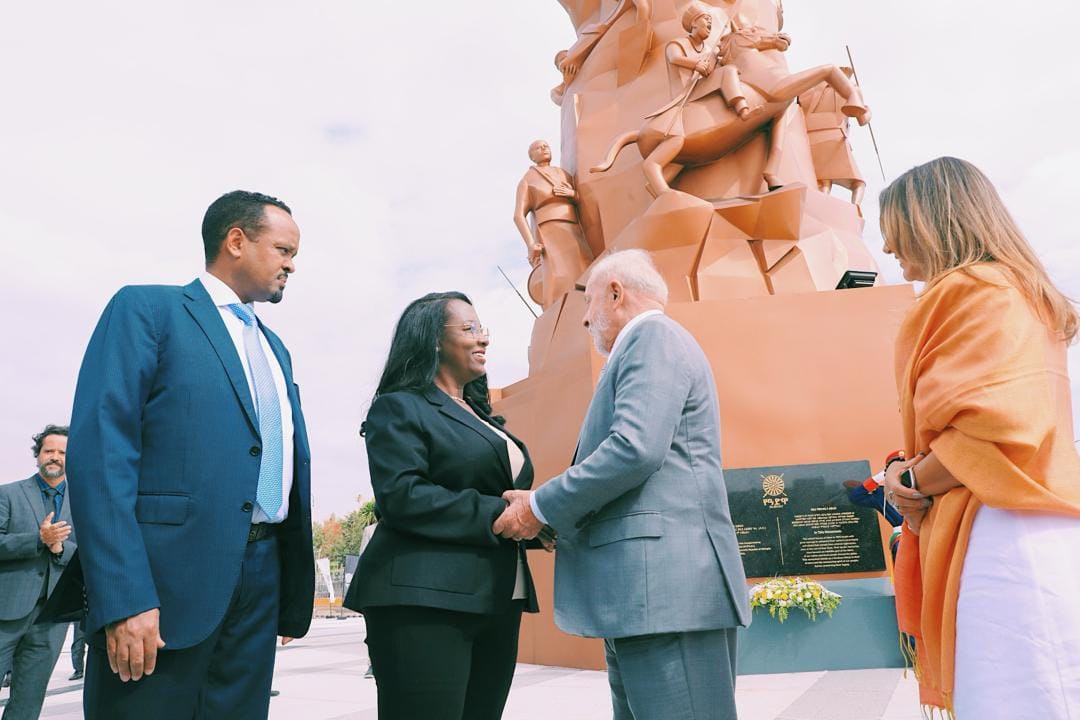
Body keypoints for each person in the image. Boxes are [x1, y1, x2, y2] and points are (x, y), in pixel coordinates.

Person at [67, 190, 315, 719]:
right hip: (163, 586)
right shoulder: (148, 310)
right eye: (284, 250)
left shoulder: (275, 349)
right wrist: (125, 596)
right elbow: (101, 457)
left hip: (260, 580)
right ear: (236, 241)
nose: (292, 265)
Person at [494, 249, 750, 720]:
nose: (585, 319)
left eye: (589, 303)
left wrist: (540, 507)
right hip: (649, 595)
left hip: (666, 593)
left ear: (616, 293)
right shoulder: (648, 345)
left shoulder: (651, 338)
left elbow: (634, 449)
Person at [880, 156, 1080, 718]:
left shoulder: (976, 289)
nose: (890, 248)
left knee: (1015, 694)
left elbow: (993, 426)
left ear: (927, 218)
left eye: (894, 229)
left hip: (999, 530)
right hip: (1026, 521)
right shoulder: (1019, 291)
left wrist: (909, 479)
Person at [343, 292, 542, 720]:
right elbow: (403, 496)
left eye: (482, 328)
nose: (482, 338)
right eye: (469, 328)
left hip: (498, 597)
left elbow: (510, 495)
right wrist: (499, 514)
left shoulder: (480, 414)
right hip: (425, 601)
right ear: (433, 339)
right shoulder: (399, 406)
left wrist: (541, 519)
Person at [0, 425, 76, 720]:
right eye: (49, 450)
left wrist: (58, 549)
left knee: (28, 701)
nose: (55, 457)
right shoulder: (8, 494)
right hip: (6, 612)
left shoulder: (83, 502)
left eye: (62, 452)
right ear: (38, 455)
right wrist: (37, 540)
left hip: (52, 617)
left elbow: (88, 553)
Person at [513, 140, 593, 309]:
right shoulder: (527, 180)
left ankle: (588, 298)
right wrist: (530, 243)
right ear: (532, 156)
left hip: (573, 226)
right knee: (557, 273)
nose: (543, 149)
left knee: (583, 264)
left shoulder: (563, 174)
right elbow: (518, 215)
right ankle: (559, 308)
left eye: (546, 146)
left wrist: (573, 194)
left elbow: (581, 199)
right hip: (550, 230)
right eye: (537, 147)